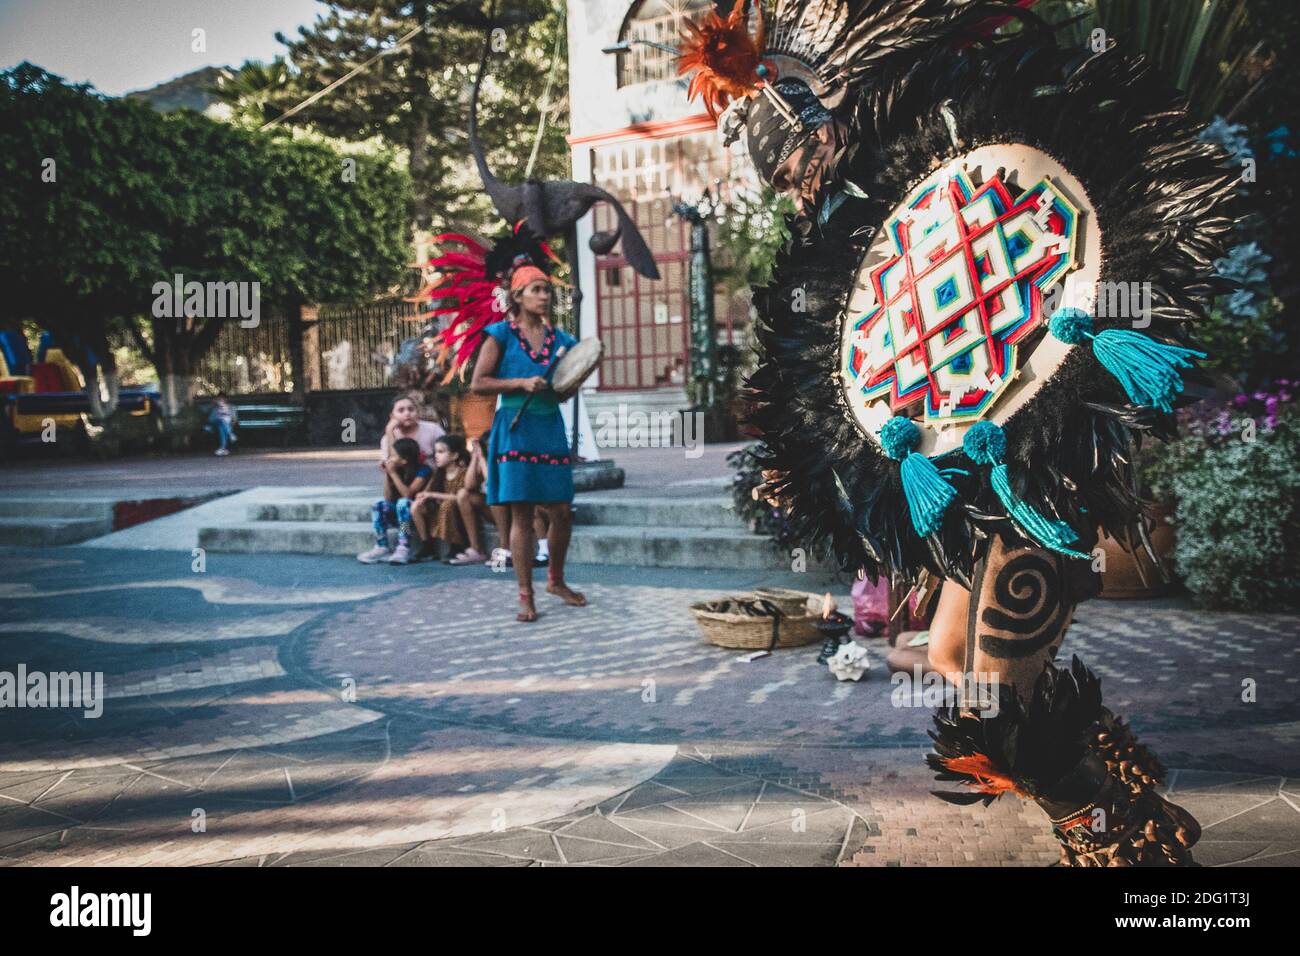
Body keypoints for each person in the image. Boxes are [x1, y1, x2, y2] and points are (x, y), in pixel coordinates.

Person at [677, 0, 1233, 865]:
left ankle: (1139, 860)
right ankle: (1122, 787)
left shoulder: (970, 143)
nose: (800, 187)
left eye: (796, 164)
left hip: (1037, 457)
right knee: (946, 656)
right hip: (977, 467)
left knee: (993, 712)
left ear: (819, 117)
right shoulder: (870, 230)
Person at [470, 265, 586, 622]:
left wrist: (575, 378)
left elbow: (566, 391)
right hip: (515, 429)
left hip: (549, 425)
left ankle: (556, 580)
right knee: (522, 513)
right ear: (517, 296)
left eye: (547, 290)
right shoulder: (500, 335)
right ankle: (526, 595)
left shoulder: (563, 341)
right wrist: (520, 383)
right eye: (536, 289)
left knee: (561, 511)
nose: (544, 296)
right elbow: (479, 383)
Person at [412, 434, 490, 564]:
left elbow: (408, 491)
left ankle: (455, 545)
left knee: (443, 506)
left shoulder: (423, 472)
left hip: (451, 508)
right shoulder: (438, 473)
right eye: (435, 452)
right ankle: (415, 542)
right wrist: (390, 474)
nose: (436, 456)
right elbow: (401, 495)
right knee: (405, 506)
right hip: (403, 514)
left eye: (440, 452)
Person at [358, 436, 432, 565]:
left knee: (403, 503)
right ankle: (382, 546)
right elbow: (388, 497)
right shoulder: (396, 470)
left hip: (416, 514)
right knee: (379, 505)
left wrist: (393, 474)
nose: (390, 458)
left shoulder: (423, 470)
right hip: (399, 513)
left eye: (393, 455)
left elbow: (407, 495)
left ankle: (403, 546)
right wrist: (388, 474)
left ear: (403, 460)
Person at [379, 393, 445, 466]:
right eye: (401, 410)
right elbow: (391, 464)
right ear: (392, 416)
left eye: (411, 409)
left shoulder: (433, 429)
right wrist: (389, 430)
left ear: (417, 412)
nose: (407, 413)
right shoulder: (386, 438)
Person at [207, 392, 238, 456]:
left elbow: (234, 418)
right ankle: (230, 434)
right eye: (219, 399)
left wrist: (233, 423)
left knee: (222, 427)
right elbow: (210, 419)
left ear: (226, 399)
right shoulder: (215, 407)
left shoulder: (231, 406)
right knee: (221, 421)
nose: (221, 400)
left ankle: (223, 448)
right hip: (216, 423)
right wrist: (212, 405)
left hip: (226, 423)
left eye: (222, 399)